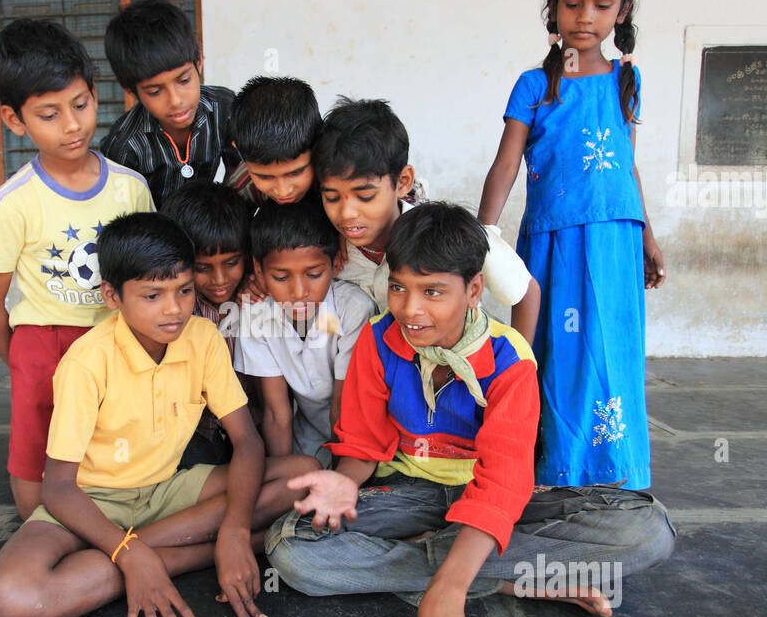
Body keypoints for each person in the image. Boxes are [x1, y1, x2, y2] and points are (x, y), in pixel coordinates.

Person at [265, 202, 675, 617]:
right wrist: (347, 479)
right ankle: (510, 582)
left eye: (432, 291)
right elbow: (363, 445)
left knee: (648, 528)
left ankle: (451, 571)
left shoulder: (510, 359)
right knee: (291, 547)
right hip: (410, 496)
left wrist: (448, 593)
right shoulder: (376, 341)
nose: (410, 309)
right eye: (399, 287)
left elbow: (503, 482)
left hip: (492, 500)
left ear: (473, 290)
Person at [0, 212, 319, 617]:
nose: (174, 308)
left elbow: (247, 440)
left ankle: (157, 551)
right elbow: (59, 488)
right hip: (89, 505)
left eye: (184, 291)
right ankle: (176, 555)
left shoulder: (202, 338)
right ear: (112, 296)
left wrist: (232, 531)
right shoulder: (86, 362)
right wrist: (128, 553)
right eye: (152, 295)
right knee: (6, 600)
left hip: (167, 492)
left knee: (304, 474)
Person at [476, 0, 665, 490]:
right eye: (573, 2)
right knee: (553, 355)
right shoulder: (535, 85)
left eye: (603, 4)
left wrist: (648, 236)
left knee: (611, 351)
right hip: (553, 242)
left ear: (623, 10)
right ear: (553, 7)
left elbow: (626, 167)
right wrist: (484, 236)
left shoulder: (626, 80)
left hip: (615, 239)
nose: (586, 16)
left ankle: (614, 475)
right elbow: (505, 165)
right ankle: (550, 471)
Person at [0, 18, 153, 523]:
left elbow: (148, 273)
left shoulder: (131, 188)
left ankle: (109, 528)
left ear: (95, 94)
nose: (72, 125)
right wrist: (23, 360)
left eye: (81, 104)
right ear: (14, 119)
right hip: (44, 343)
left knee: (110, 435)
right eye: (49, 114)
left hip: (118, 340)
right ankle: (39, 532)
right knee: (36, 445)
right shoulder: (14, 202)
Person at [312, 97, 542, 339]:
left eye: (365, 196)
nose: (347, 213)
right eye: (332, 198)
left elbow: (526, 293)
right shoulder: (330, 252)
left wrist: (521, 366)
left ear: (402, 182)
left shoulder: (450, 231)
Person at [233, 200, 376, 465]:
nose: (299, 292)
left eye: (313, 274)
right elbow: (277, 414)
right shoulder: (256, 315)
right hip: (306, 433)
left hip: (356, 437)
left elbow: (343, 410)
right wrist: (285, 478)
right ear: (258, 270)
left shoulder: (354, 310)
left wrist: (339, 479)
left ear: (335, 264)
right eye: (281, 277)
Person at [100, 0, 245, 207]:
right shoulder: (124, 145)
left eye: (184, 80)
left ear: (199, 61)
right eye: (155, 91)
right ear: (131, 91)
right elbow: (125, 215)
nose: (176, 101)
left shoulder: (224, 107)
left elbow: (238, 169)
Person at [159, 181, 253, 467]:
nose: (220, 279)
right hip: (189, 433)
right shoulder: (176, 311)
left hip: (245, 425)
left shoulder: (257, 298)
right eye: (202, 268)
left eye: (232, 262)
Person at [229, 75, 321, 206]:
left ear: (318, 143)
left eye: (296, 172)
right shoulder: (242, 189)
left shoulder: (340, 176)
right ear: (239, 150)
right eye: (264, 177)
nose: (283, 192)